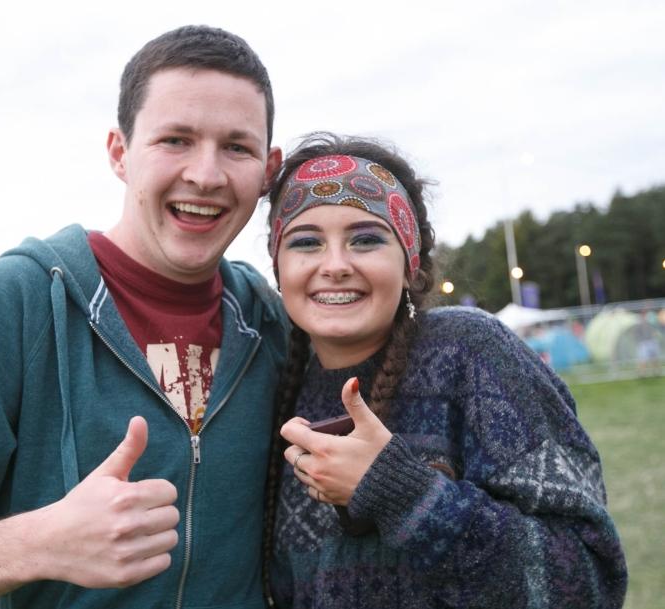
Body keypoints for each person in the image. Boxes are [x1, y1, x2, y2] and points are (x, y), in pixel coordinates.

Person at [0, 25, 286, 609]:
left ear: (269, 169)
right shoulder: (17, 300)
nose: (205, 174)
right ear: (120, 153)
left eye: (237, 147)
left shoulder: (269, 323)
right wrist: (38, 544)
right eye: (175, 139)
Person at [262, 133, 628, 608]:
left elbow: (589, 581)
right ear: (277, 265)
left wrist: (400, 492)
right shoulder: (280, 389)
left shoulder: (469, 352)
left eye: (366, 239)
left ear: (411, 264)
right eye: (306, 242)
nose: (335, 265)